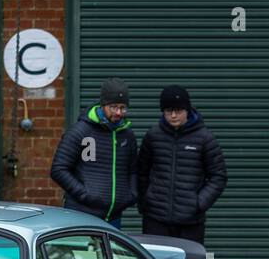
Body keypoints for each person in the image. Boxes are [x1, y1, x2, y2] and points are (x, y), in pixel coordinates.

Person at [136, 85, 227, 245]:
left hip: (190, 223)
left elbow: (218, 176)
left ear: (187, 110)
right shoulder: (153, 136)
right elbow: (141, 171)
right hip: (156, 220)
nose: (173, 115)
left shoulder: (204, 138)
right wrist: (147, 201)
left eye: (178, 111)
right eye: (168, 111)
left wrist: (198, 203)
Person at [50, 77, 138, 228]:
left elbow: (133, 171)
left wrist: (131, 195)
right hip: (81, 214)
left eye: (122, 108)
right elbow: (59, 169)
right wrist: (84, 194)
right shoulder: (81, 131)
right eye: (113, 107)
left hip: (114, 217)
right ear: (103, 105)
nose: (118, 112)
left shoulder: (127, 136)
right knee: (80, 252)